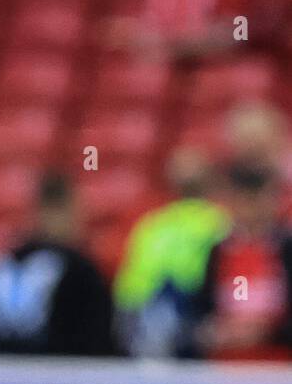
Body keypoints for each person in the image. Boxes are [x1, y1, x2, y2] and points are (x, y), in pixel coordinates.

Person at [0, 172, 118, 356]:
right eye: (77, 211)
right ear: (57, 210)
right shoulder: (79, 269)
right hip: (61, 379)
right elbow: (98, 343)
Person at [113, 148, 231, 357]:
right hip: (152, 313)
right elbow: (131, 283)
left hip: (192, 314)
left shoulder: (219, 223)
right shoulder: (153, 224)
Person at [187, 162, 292, 360]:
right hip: (226, 369)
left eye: (257, 200)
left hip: (280, 371)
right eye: (245, 201)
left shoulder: (286, 250)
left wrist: (267, 332)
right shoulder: (217, 251)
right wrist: (211, 331)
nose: (251, 210)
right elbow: (200, 310)